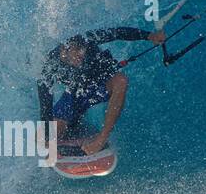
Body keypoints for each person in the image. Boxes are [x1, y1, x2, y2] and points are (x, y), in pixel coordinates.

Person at [37, 26, 165, 154]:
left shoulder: (89, 39)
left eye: (83, 51)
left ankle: (101, 139)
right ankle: (72, 123)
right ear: (64, 49)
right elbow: (45, 104)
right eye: (77, 52)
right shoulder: (50, 65)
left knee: (121, 81)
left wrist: (150, 36)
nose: (81, 56)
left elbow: (117, 32)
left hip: (99, 85)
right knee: (48, 135)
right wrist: (48, 139)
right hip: (74, 95)